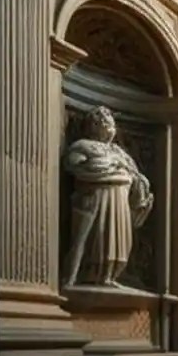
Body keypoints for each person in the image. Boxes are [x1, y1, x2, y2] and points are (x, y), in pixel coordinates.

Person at [63, 106, 153, 288]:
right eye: (102, 121)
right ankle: (72, 278)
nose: (108, 124)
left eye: (109, 121)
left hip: (120, 201)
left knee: (117, 243)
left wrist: (139, 182)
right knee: (85, 240)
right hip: (94, 199)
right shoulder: (83, 146)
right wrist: (110, 168)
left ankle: (109, 277)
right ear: (93, 125)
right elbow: (74, 166)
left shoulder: (119, 152)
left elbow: (135, 175)